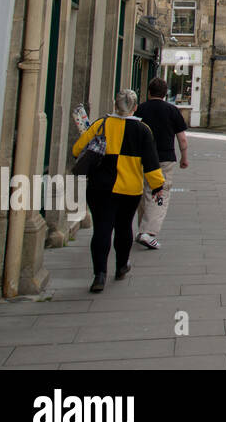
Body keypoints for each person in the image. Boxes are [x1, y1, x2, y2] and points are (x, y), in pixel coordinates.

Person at [72, 89, 165, 293]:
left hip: (101, 187)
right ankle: (122, 266)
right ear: (134, 108)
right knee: (124, 228)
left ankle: (99, 274)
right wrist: (158, 186)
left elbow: (77, 149)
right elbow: (151, 163)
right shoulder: (143, 130)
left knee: (102, 229)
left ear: (115, 105)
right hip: (129, 189)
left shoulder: (101, 124)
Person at [134, 76, 189, 249]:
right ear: (165, 94)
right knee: (161, 194)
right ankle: (148, 232)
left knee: (145, 193)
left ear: (149, 92)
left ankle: (142, 229)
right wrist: (184, 158)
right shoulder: (172, 110)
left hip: (142, 159)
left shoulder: (140, 109)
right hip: (164, 159)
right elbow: (182, 140)